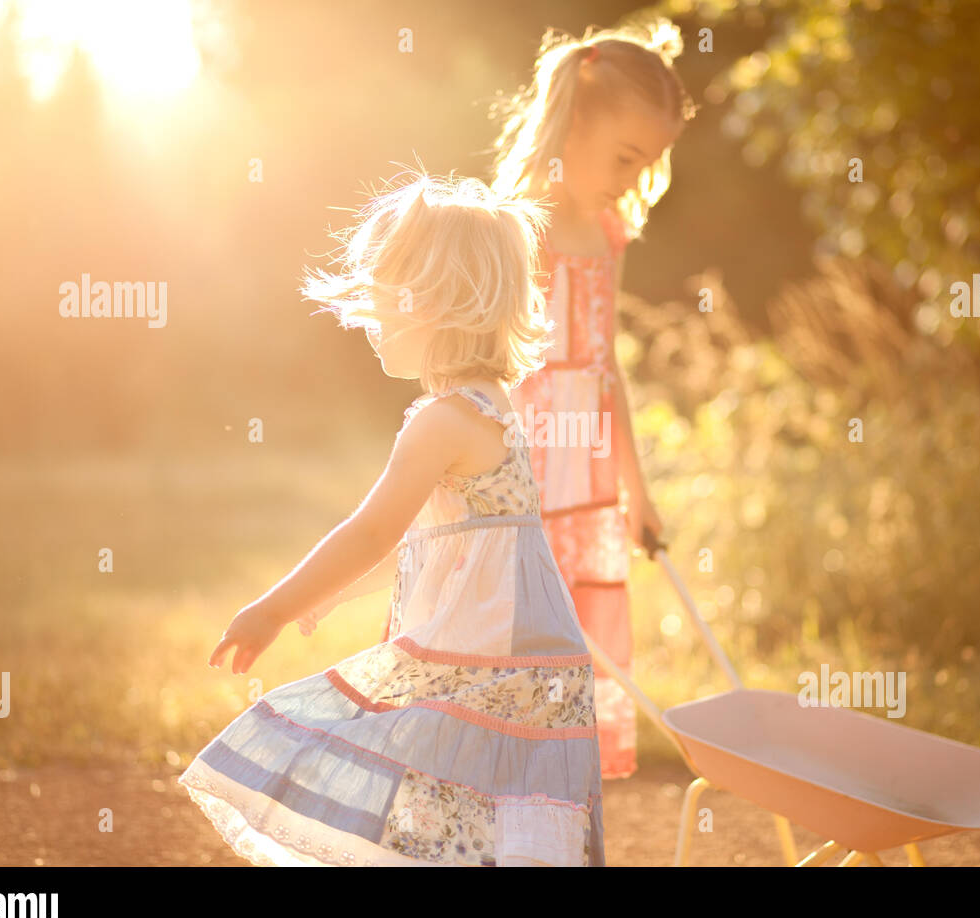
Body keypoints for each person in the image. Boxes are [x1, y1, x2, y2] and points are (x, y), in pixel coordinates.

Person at [178, 173, 604, 866]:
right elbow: (429, 545)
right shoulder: (490, 406)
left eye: (381, 304)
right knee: (492, 817)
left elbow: (371, 531)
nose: (369, 321)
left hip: (486, 666)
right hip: (530, 668)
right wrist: (336, 594)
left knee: (418, 780)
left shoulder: (442, 422)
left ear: (437, 305)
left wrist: (273, 609)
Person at [487, 17, 694, 778]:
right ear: (575, 120)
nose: (634, 180)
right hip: (518, 477)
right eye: (626, 157)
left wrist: (636, 494)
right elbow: (483, 369)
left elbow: (606, 372)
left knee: (571, 653)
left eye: (649, 165)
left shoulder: (607, 234)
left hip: (588, 487)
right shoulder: (516, 228)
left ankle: (549, 813)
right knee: (508, 644)